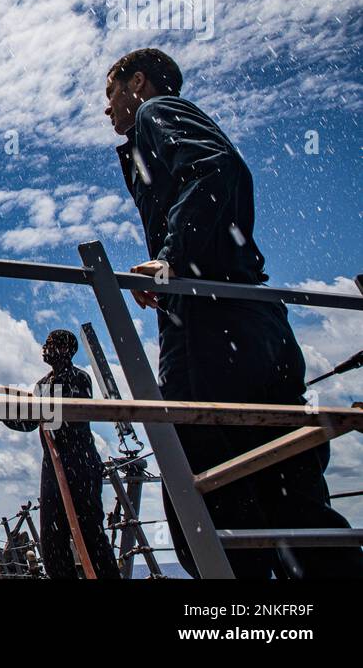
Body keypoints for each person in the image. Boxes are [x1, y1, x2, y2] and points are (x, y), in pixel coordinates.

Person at [105, 47, 363, 579]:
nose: (106, 110)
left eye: (110, 94)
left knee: (203, 491)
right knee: (288, 489)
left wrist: (173, 260)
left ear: (137, 82)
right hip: (250, 322)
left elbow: (218, 168)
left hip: (209, 324)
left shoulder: (158, 112)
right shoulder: (152, 132)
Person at [3, 329, 121, 579]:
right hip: (52, 469)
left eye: (50, 344)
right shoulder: (42, 385)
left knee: (89, 532)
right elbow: (28, 422)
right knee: (51, 539)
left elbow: (65, 414)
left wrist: (36, 408)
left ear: (66, 350)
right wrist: (3, 411)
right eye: (45, 344)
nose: (45, 349)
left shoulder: (79, 379)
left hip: (80, 463)